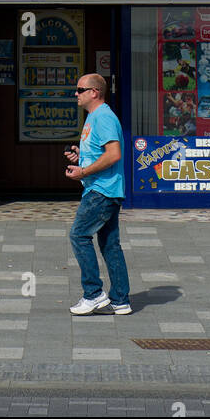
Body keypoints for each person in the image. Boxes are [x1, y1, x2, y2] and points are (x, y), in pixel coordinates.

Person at [64, 73, 131, 315]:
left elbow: (113, 154)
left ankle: (93, 294)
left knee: (79, 235)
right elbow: (99, 151)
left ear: (94, 92)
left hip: (101, 190)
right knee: (110, 245)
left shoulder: (103, 117)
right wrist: (79, 155)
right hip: (105, 188)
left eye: (80, 89)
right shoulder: (95, 117)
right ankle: (120, 300)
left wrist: (84, 171)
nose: (76, 93)